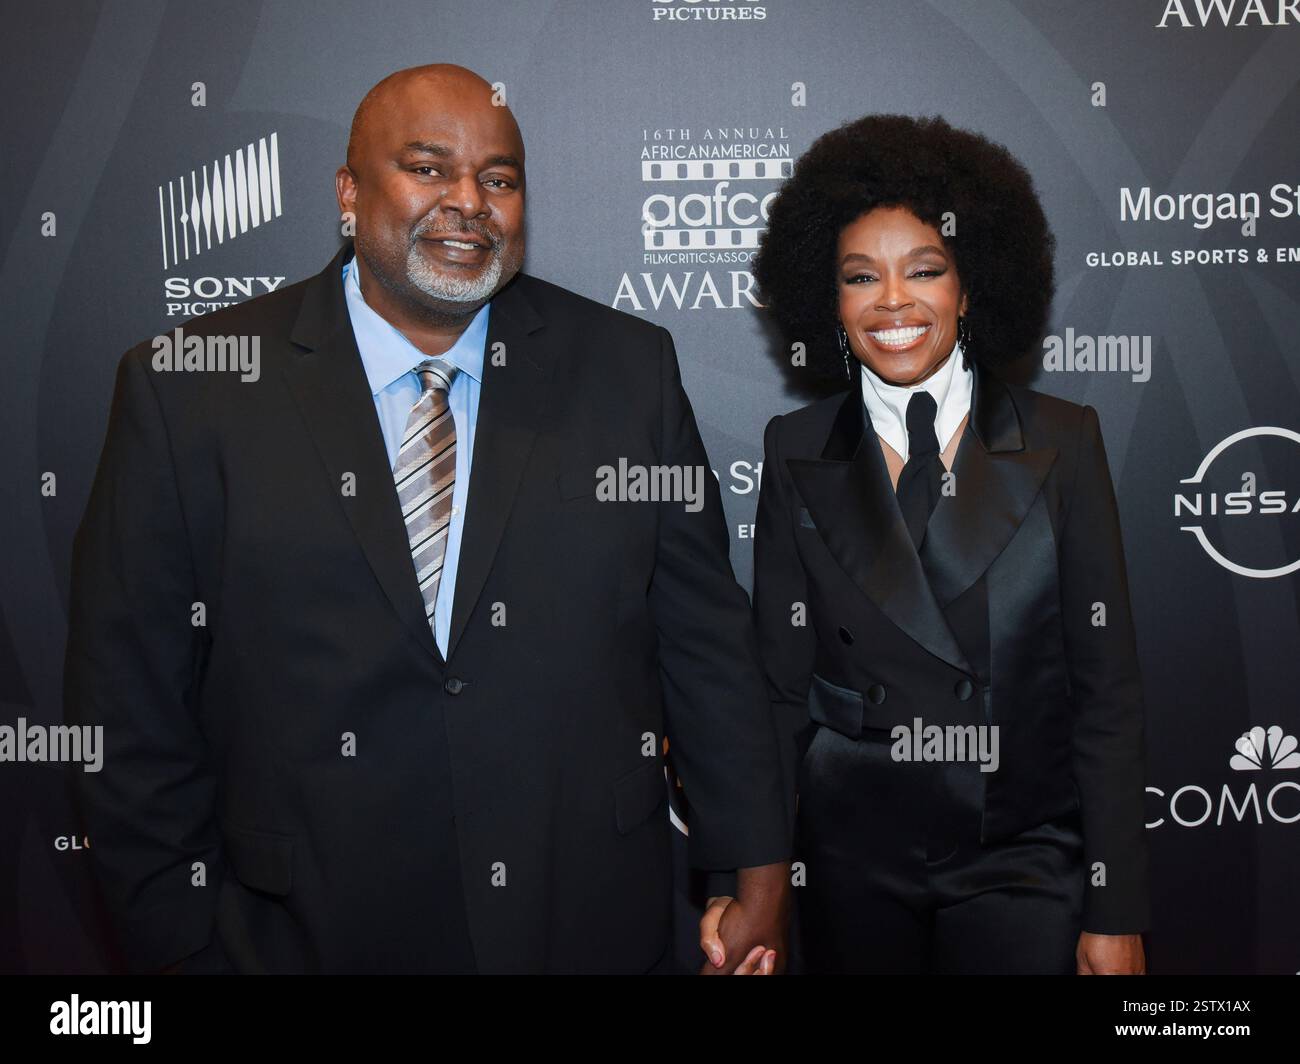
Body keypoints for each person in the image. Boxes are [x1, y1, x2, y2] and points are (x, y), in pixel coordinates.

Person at [64, 64, 790, 975]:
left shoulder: (627, 371)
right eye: (427, 168)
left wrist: (756, 860)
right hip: (294, 934)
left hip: (583, 920)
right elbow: (126, 705)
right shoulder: (189, 387)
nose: (468, 203)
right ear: (347, 194)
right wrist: (180, 939)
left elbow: (704, 644)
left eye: (499, 178)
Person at [728, 113, 1149, 974]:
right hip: (849, 858)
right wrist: (753, 881)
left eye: (925, 270)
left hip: (1024, 852)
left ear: (972, 284)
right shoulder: (794, 446)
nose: (892, 301)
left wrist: (1117, 909)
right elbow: (776, 689)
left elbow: (1106, 694)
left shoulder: (1064, 440)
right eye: (859, 277)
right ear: (826, 298)